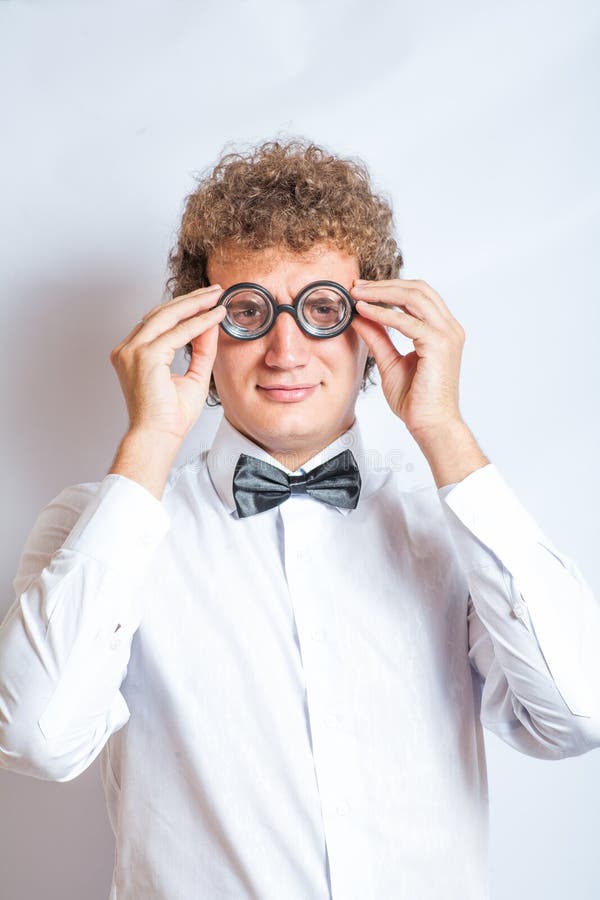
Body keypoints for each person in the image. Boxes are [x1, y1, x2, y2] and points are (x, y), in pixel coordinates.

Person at [1, 137, 599, 900]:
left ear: (373, 325)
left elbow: (579, 715)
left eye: (322, 308)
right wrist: (149, 444)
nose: (286, 350)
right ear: (200, 332)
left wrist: (446, 432)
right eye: (249, 311)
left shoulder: (457, 521)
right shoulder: (96, 525)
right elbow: (35, 739)